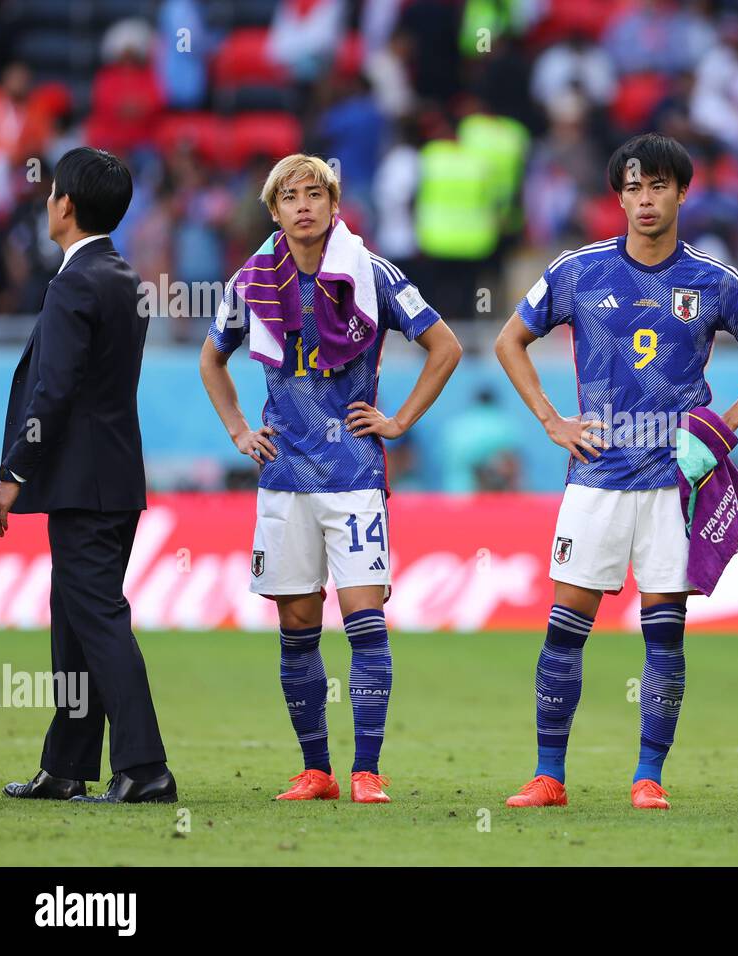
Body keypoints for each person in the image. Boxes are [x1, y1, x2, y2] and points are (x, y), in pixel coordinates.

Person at [494, 133, 738, 810]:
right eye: (632, 188)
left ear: (683, 192)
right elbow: (509, 339)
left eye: (658, 186)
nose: (645, 200)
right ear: (618, 196)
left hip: (672, 486)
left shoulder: (713, 280)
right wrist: (552, 421)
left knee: (664, 632)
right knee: (565, 627)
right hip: (596, 479)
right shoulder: (578, 271)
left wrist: (722, 428)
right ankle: (548, 775)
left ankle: (648, 777)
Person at [199, 154, 461, 804]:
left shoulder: (371, 273)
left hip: (353, 475)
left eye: (315, 193)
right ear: (275, 211)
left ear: (334, 204)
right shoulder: (251, 280)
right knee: (296, 620)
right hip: (283, 476)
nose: (304, 205)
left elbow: (446, 345)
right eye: (291, 196)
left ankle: (367, 769)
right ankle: (316, 770)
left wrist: (398, 420)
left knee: (365, 618)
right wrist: (237, 429)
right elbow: (213, 357)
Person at [0, 147, 175, 804]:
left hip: (82, 481)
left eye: (50, 196)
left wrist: (13, 471)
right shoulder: (124, 276)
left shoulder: (74, 282)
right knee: (73, 618)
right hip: (113, 479)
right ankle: (66, 765)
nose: (46, 204)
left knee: (95, 619)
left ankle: (146, 766)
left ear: (64, 205)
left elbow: (55, 390)